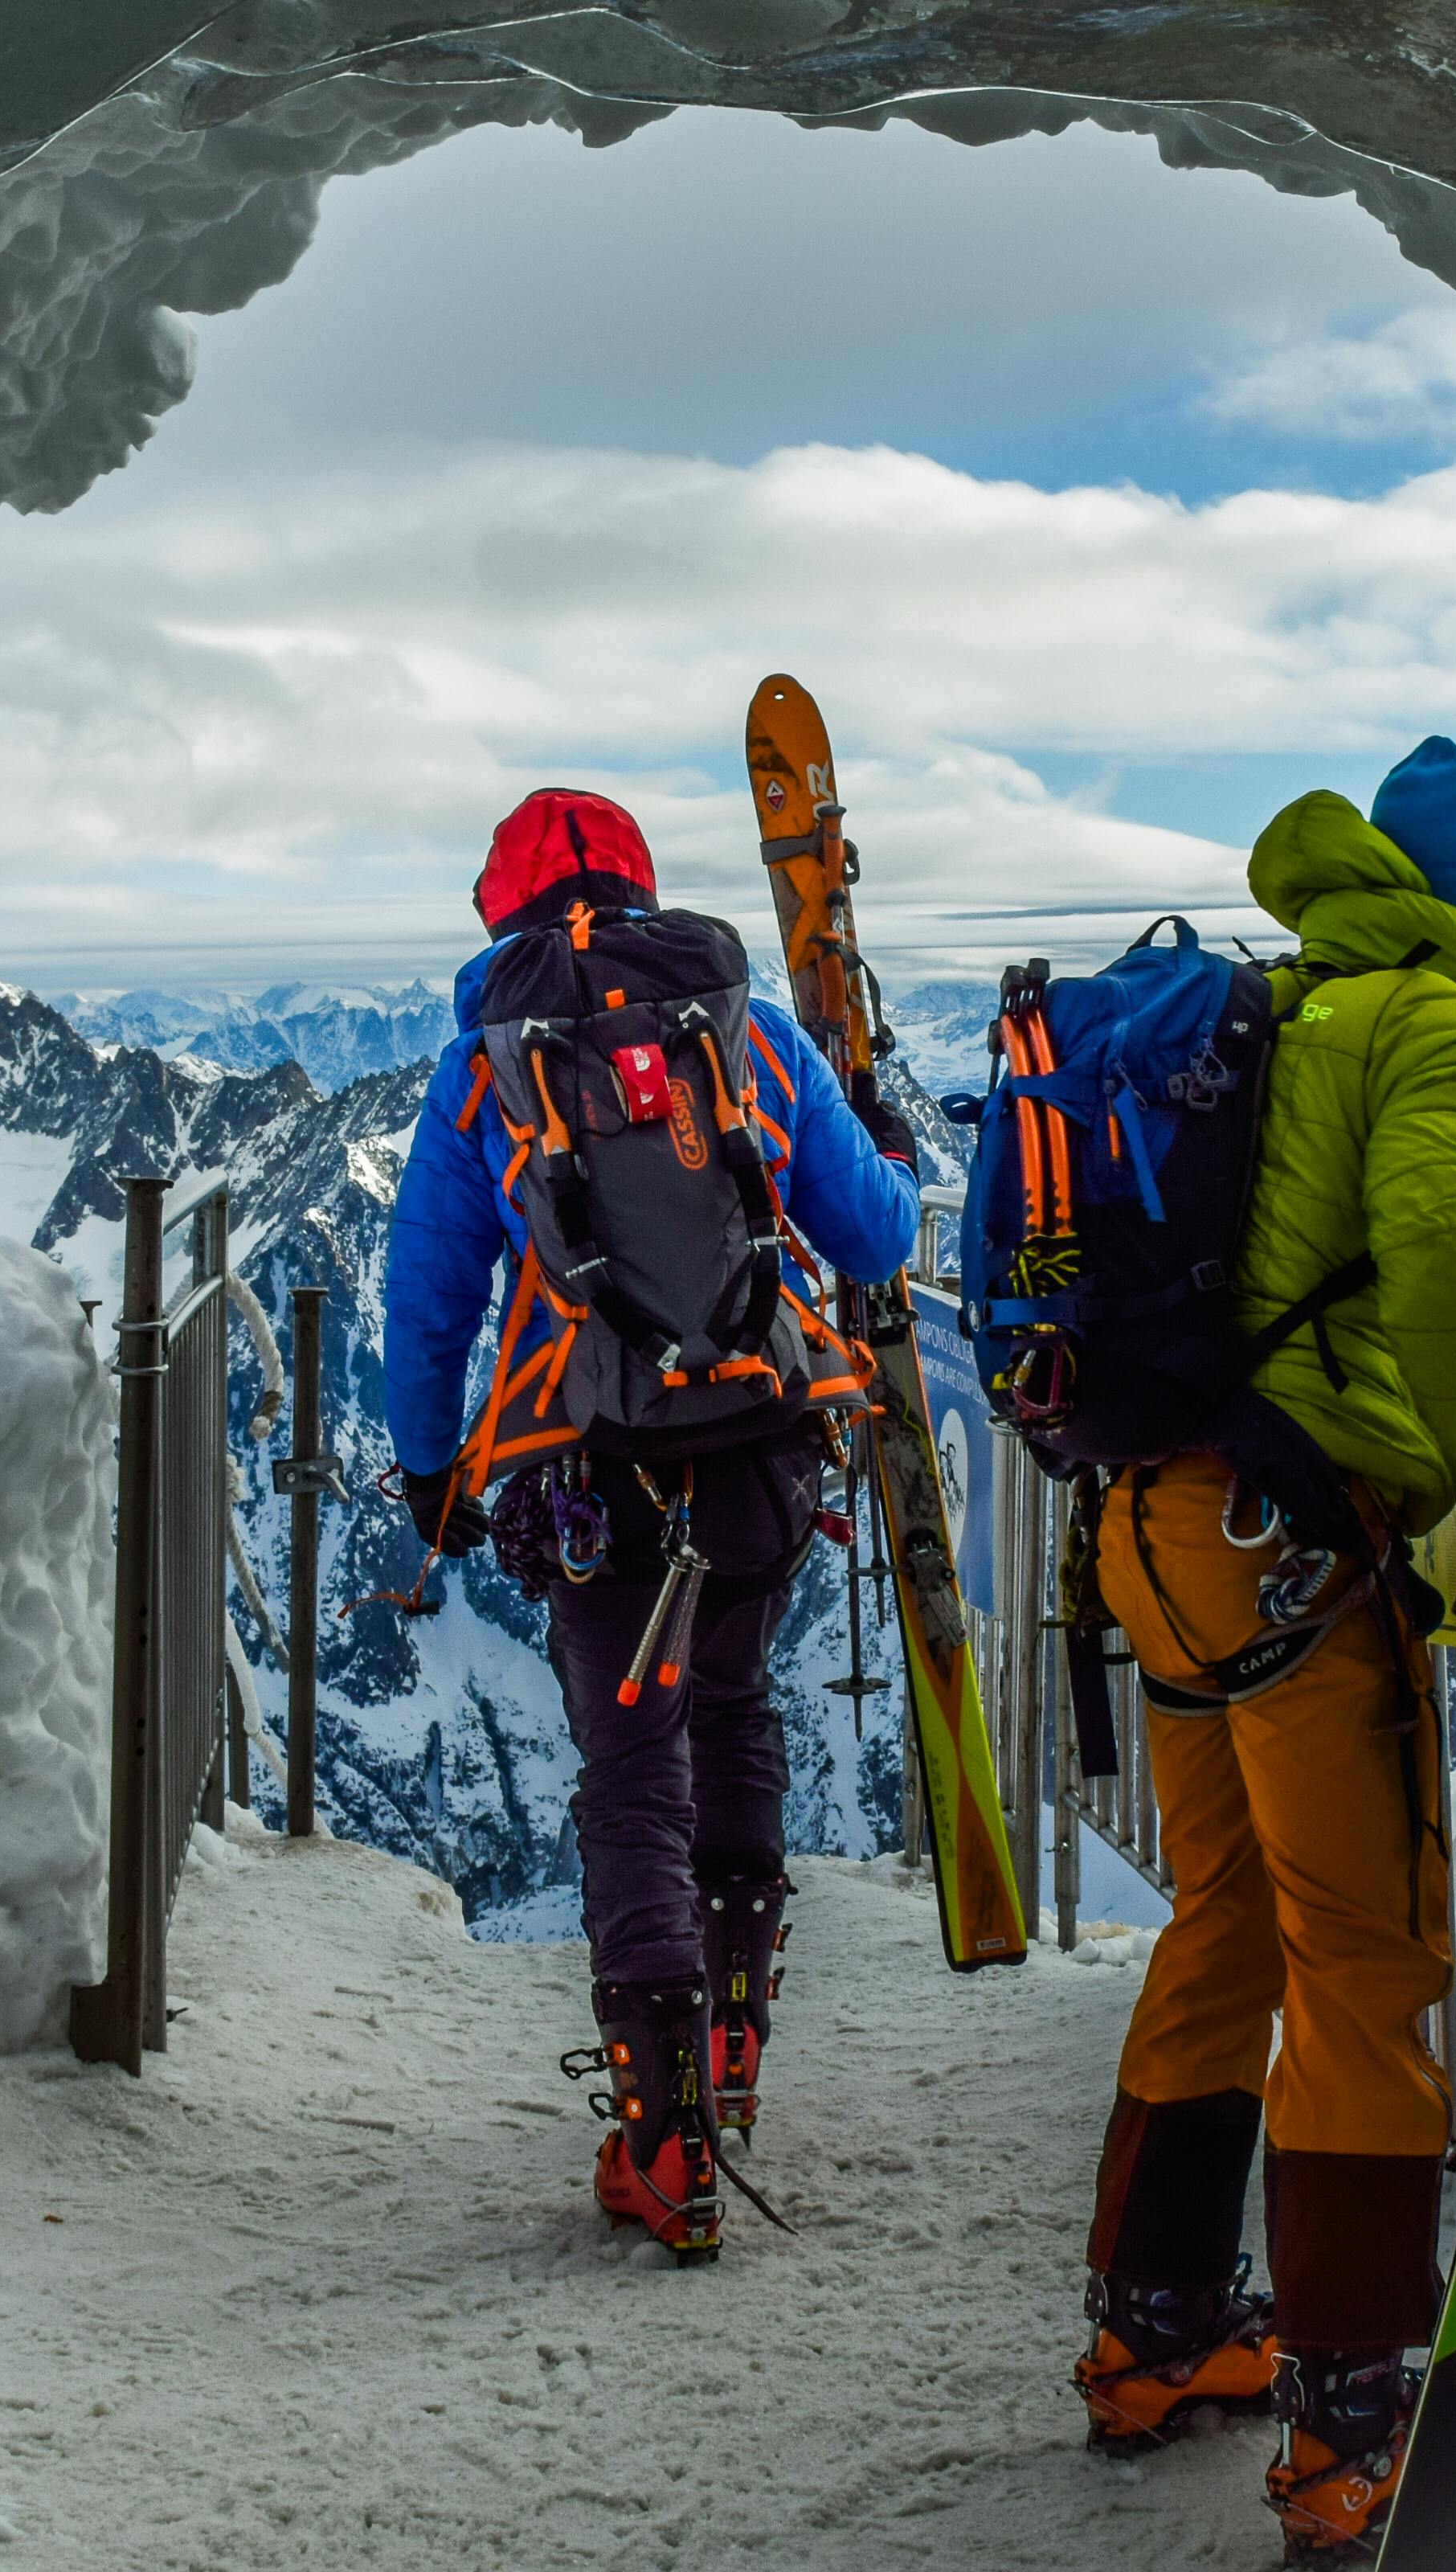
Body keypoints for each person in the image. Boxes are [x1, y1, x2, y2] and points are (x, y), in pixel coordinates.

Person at [1069, 737, 1456, 2562]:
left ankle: (1154, 2333)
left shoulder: (1278, 1008)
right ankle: (1353, 2416)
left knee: (1223, 1921)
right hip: (1289, 1550)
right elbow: (1446, 1248)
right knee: (1359, 1963)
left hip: (1148, 1527)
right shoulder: (1434, 1027)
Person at [382, 785, 920, 2261]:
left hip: (589, 1473)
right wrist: (886, 1147)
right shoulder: (742, 1024)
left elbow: (424, 1299)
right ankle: (736, 2045)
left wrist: (434, 1470)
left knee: (631, 1774)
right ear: (643, 883)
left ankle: (663, 2137)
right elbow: (877, 1234)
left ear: (500, 912)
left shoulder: (482, 1070)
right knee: (734, 1707)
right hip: (759, 1450)